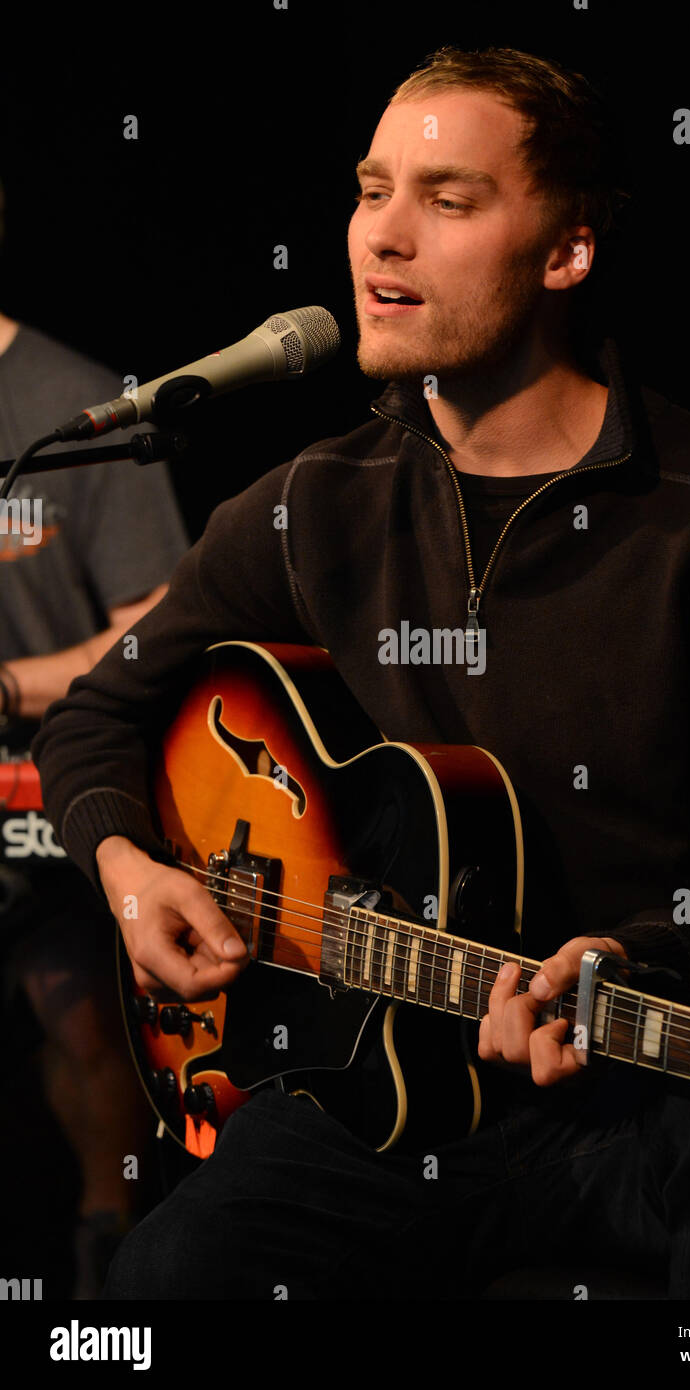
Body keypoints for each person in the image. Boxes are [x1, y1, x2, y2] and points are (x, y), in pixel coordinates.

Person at [32, 47, 690, 1300]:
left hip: (635, 1094)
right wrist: (128, 873)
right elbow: (99, 714)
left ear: (566, 252)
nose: (382, 240)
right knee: (156, 1290)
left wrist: (627, 959)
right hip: (372, 1094)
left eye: (448, 202)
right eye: (371, 191)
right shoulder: (320, 499)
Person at [0, 214, 190, 1294]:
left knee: (80, 1018)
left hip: (48, 781)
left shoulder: (80, 408)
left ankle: (105, 1266)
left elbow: (149, 624)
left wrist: (11, 688)